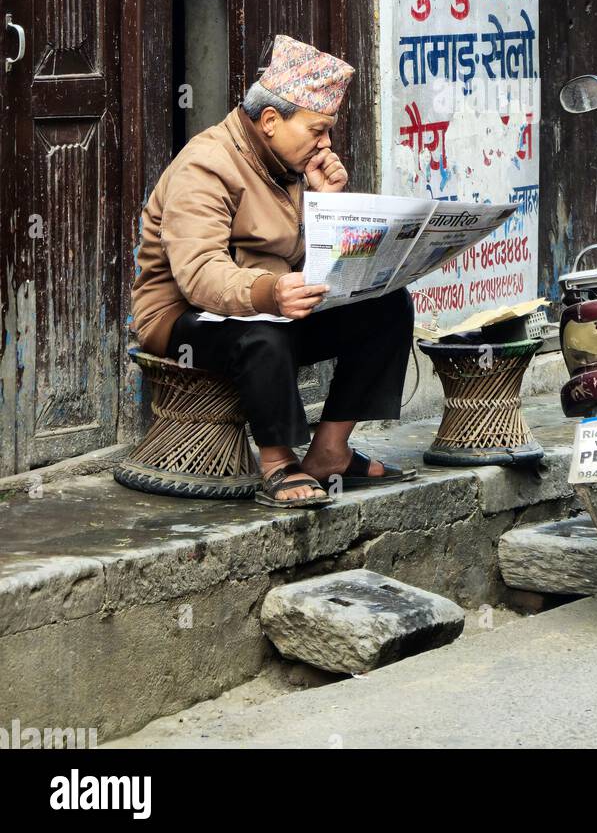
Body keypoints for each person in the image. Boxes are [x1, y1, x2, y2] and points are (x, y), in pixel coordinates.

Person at [131, 33, 416, 507]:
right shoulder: (205, 166)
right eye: (317, 130)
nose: (326, 143)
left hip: (271, 307)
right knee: (263, 331)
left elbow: (304, 262)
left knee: (388, 306)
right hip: (182, 319)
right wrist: (269, 294)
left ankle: (329, 452)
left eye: (329, 131)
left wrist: (326, 205)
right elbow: (198, 274)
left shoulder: (292, 167)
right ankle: (277, 461)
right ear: (269, 121)